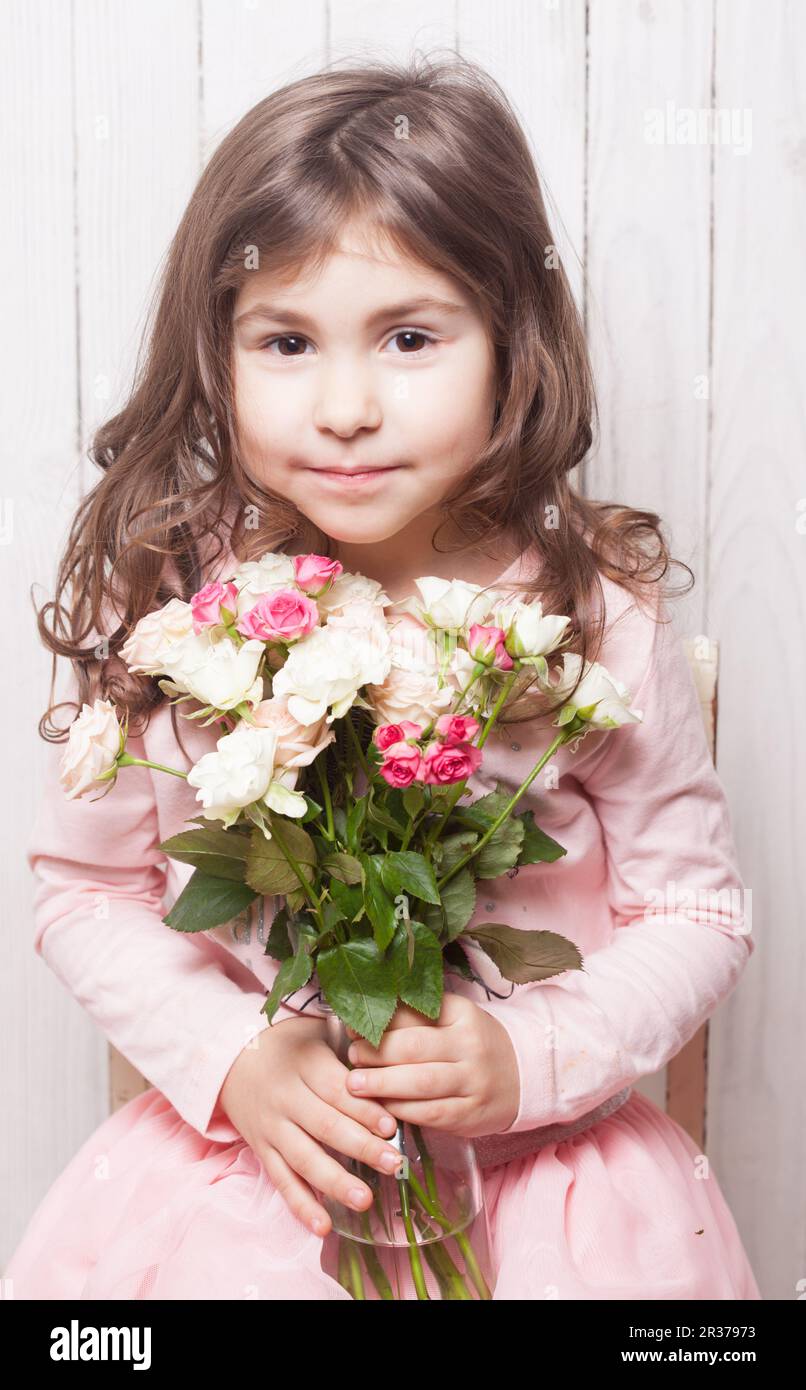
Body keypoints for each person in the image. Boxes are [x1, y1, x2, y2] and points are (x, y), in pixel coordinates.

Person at [4, 54, 760, 1300]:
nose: (345, 405)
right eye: (286, 340)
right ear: (219, 349)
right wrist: (233, 1056)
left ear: (510, 341)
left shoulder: (586, 619)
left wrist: (530, 1052)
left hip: (545, 1200)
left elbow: (695, 914)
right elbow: (84, 888)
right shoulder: (172, 602)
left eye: (409, 337)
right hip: (254, 1183)